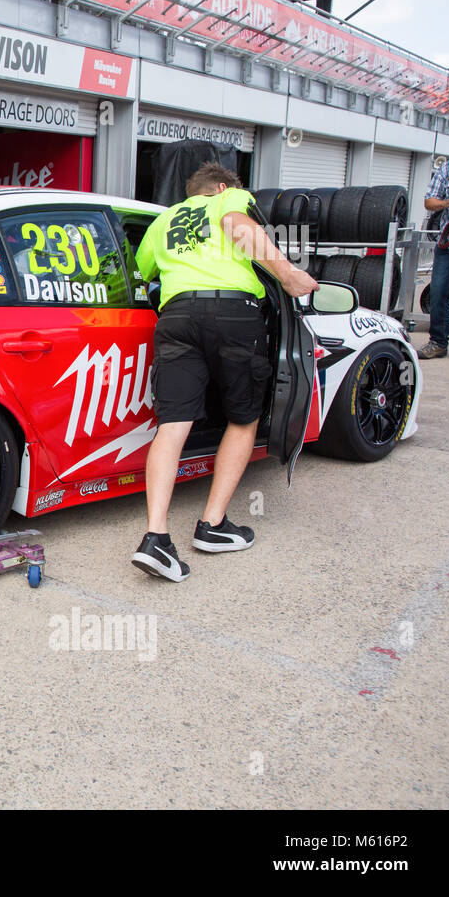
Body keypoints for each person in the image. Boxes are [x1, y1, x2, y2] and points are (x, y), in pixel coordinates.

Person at [132, 162, 318, 582]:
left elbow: (146, 275)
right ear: (221, 187)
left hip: (176, 316)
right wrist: (288, 275)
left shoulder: (163, 219)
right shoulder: (231, 199)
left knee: (172, 424)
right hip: (233, 314)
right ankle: (212, 526)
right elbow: (238, 225)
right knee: (243, 418)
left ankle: (156, 537)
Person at [418, 137, 449, 359]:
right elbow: (429, 202)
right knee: (439, 291)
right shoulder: (448, 168)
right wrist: (448, 202)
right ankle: (438, 343)